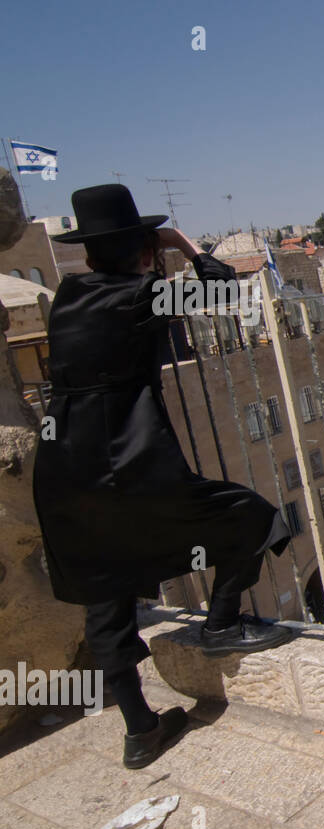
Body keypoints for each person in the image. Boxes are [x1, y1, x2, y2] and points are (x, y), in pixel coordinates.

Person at [32, 185, 294, 770]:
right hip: (124, 459)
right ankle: (222, 622)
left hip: (63, 471)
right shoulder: (140, 295)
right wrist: (180, 240)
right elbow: (226, 288)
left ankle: (139, 731)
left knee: (105, 593)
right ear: (145, 249)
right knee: (252, 517)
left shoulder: (68, 296)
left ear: (91, 253)